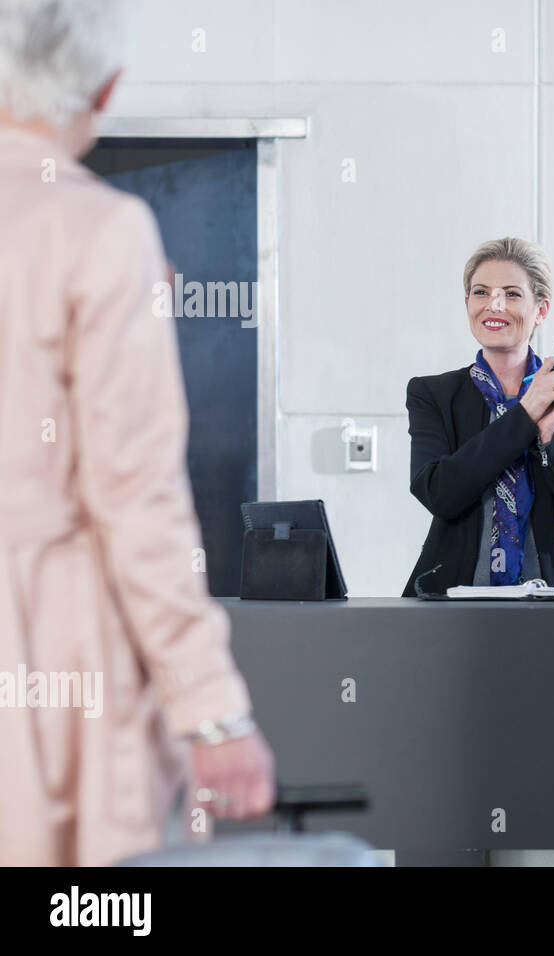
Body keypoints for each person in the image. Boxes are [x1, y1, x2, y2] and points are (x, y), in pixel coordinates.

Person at [0, 0, 275, 865]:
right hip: (47, 653)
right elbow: (136, 498)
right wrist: (215, 712)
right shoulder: (98, 231)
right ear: (106, 85)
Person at [403, 237, 554, 595]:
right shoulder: (433, 394)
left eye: (511, 294)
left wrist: (553, 439)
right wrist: (526, 414)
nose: (494, 305)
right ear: (467, 304)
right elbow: (440, 494)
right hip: (453, 603)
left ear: (541, 309)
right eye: (481, 292)